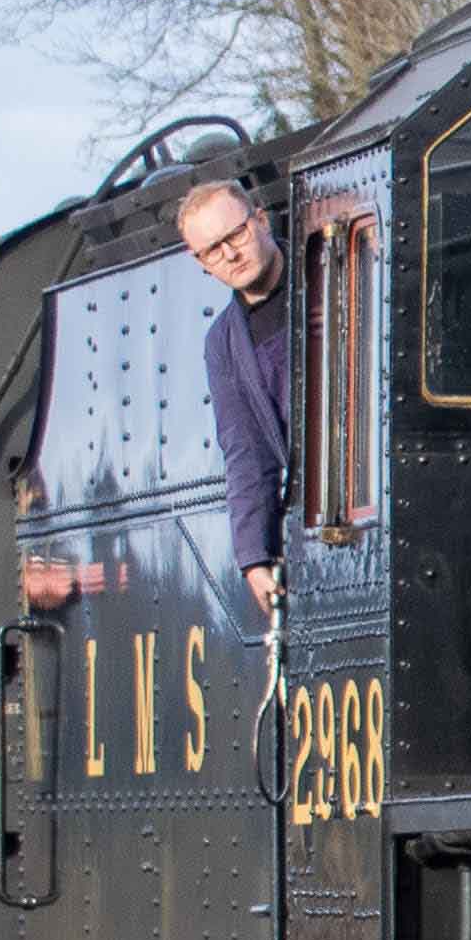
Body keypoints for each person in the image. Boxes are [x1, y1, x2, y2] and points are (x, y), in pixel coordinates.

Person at [182, 178, 293, 616]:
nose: (230, 254)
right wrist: (254, 558)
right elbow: (246, 451)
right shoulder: (223, 343)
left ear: (261, 220)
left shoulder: (328, 273)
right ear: (202, 262)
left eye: (236, 235)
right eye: (213, 250)